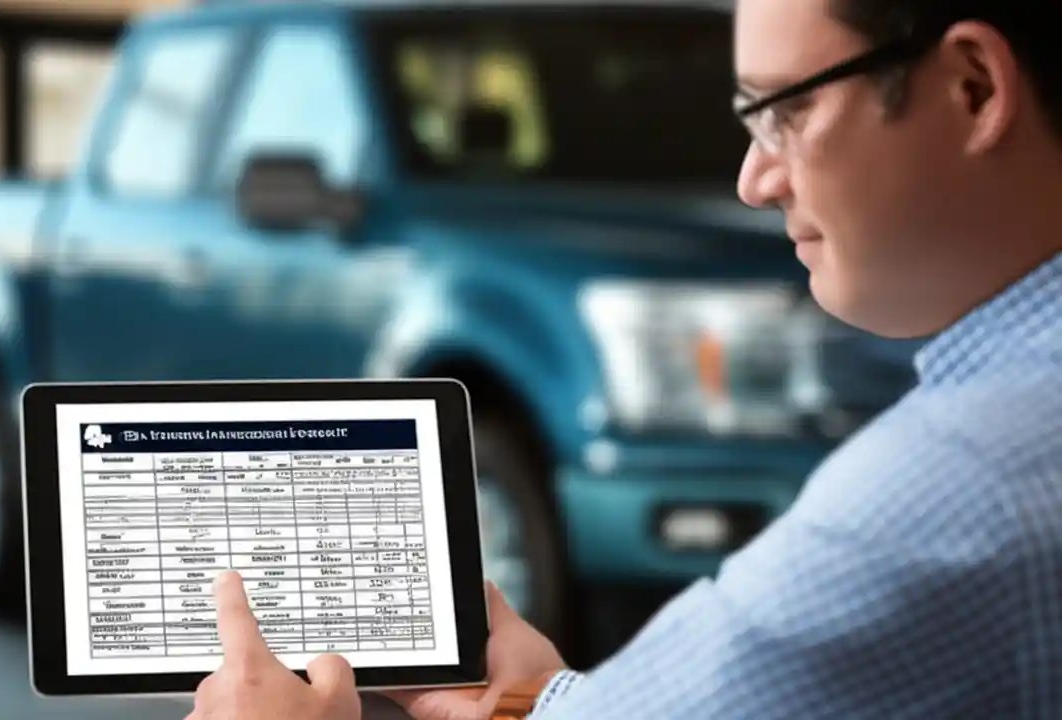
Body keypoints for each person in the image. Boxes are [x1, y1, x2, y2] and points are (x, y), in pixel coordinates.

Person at [184, 0, 1062, 717]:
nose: (753, 182)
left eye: (786, 111)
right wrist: (532, 703)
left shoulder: (971, 479)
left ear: (974, 87)